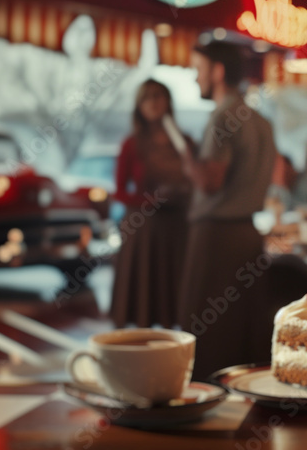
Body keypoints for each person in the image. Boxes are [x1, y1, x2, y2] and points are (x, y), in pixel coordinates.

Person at [177, 41, 277, 379]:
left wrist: (188, 158)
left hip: (216, 239)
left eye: (198, 69)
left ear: (217, 72)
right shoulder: (261, 121)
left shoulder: (222, 117)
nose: (195, 79)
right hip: (248, 236)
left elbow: (209, 182)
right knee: (243, 334)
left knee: (208, 337)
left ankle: (205, 416)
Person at [110, 79, 192, 329]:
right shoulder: (131, 145)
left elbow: (196, 180)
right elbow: (120, 192)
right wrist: (150, 201)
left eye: (159, 96)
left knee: (174, 295)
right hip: (143, 229)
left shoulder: (183, 142)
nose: (154, 103)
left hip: (176, 226)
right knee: (144, 293)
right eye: (148, 98)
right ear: (139, 106)